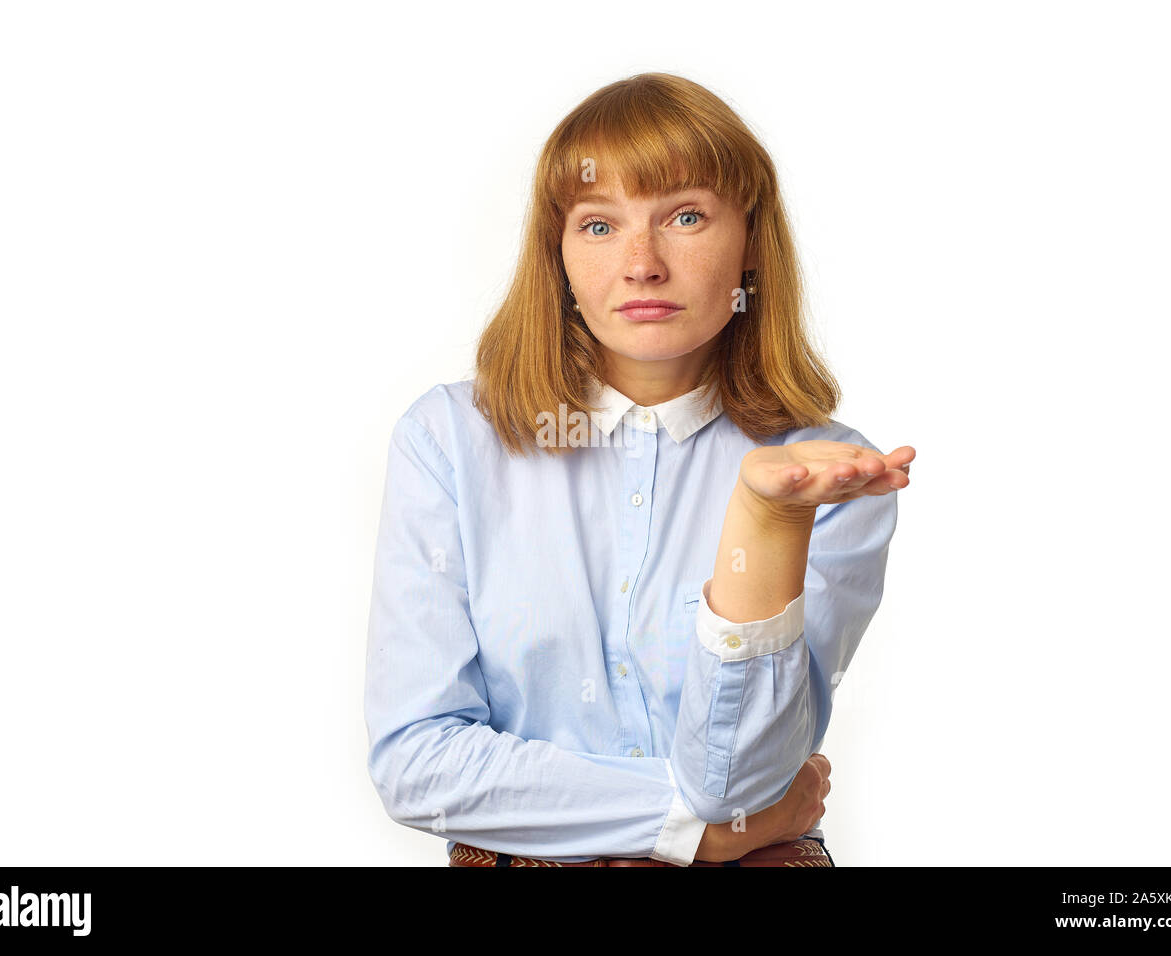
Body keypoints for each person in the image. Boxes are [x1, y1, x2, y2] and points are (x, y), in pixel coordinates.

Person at [363, 72, 915, 867]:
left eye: (685, 217)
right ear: (556, 252)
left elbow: (740, 776)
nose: (641, 264)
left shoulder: (828, 476)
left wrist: (767, 521)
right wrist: (705, 829)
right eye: (597, 225)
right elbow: (416, 763)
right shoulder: (448, 440)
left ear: (751, 242)